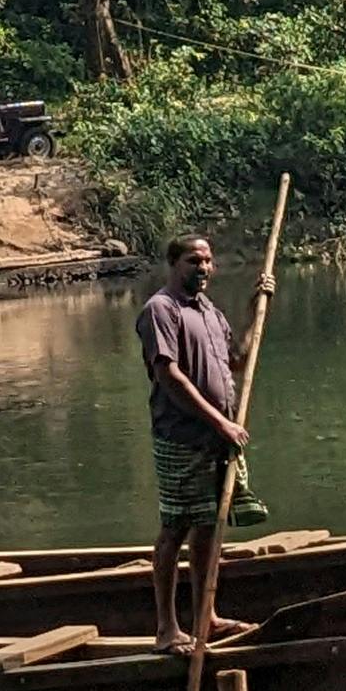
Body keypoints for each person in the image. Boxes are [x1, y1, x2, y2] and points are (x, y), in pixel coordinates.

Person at [137, 232, 248, 654]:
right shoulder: (160, 310)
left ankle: (208, 617)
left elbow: (238, 360)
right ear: (173, 264)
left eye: (206, 262)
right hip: (181, 437)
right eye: (192, 261)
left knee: (207, 526)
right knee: (175, 528)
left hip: (216, 438)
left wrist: (259, 307)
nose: (202, 268)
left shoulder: (211, 313)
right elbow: (170, 375)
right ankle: (167, 629)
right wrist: (220, 422)